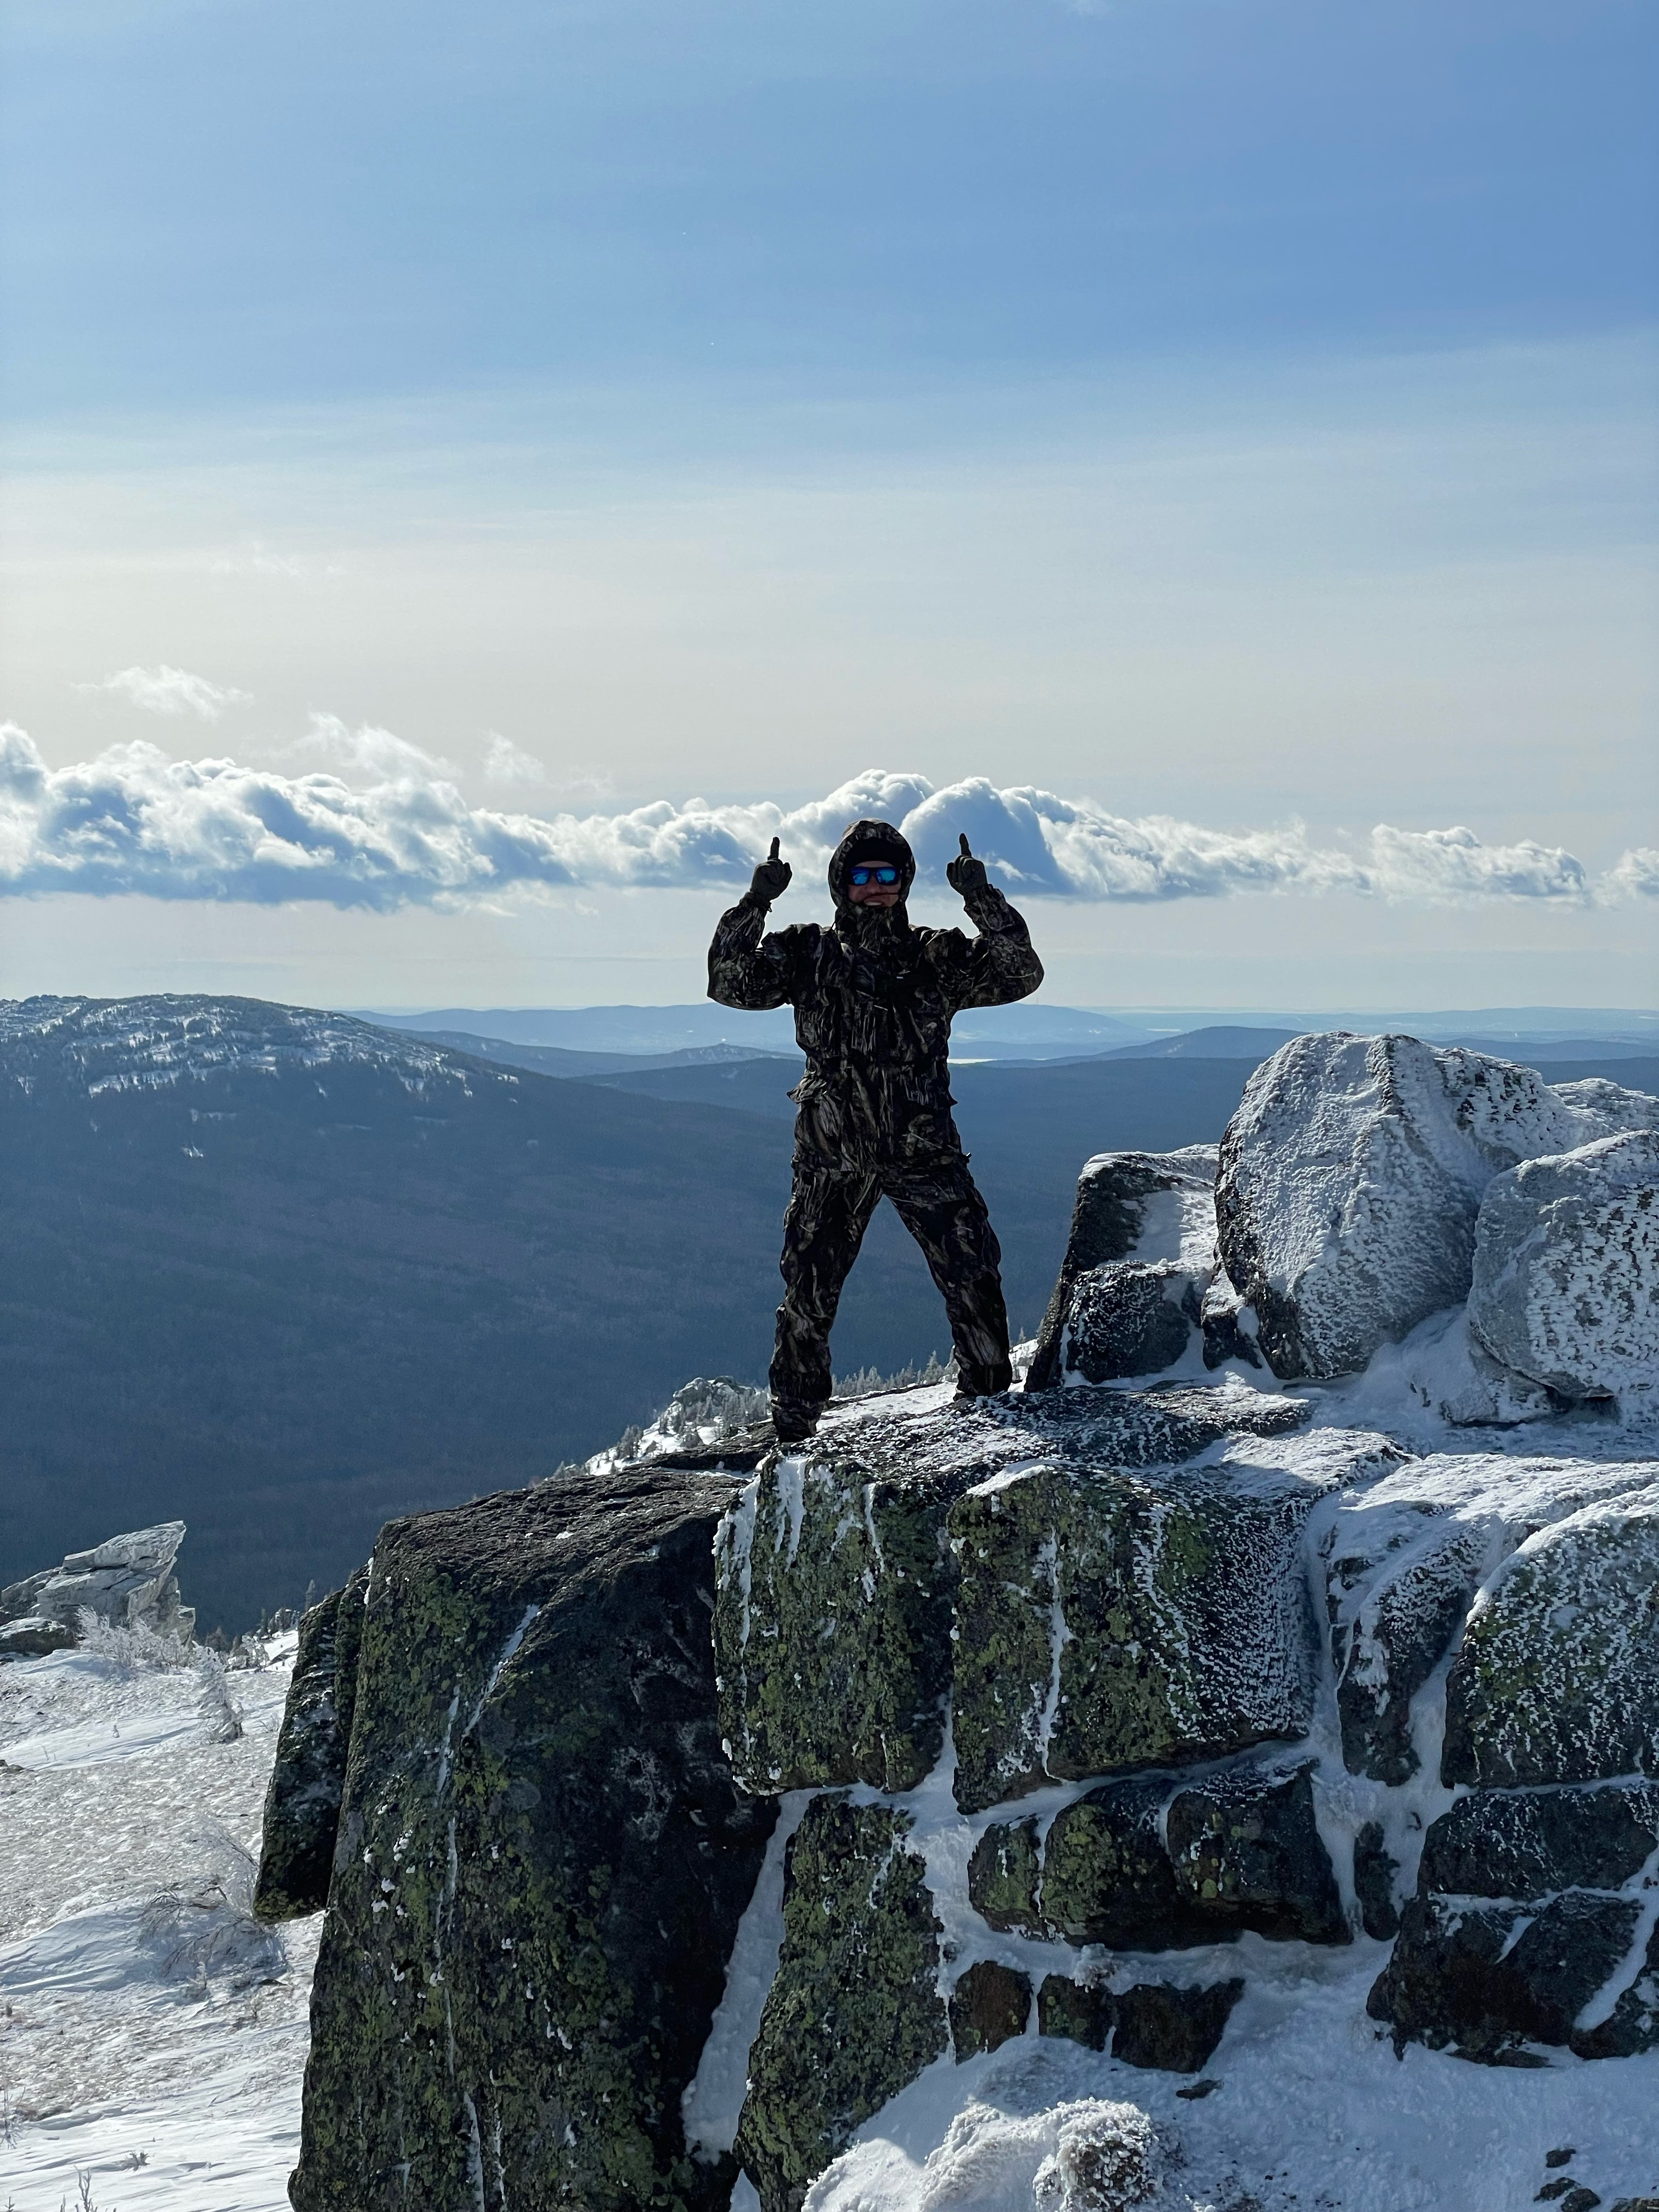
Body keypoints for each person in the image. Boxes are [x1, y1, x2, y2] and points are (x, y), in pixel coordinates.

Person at [707, 816, 1043, 1442]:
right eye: (863, 875)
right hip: (833, 1152)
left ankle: (990, 1405)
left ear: (906, 882)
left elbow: (1020, 974)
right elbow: (729, 984)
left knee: (972, 1269)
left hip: (923, 1147)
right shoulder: (806, 952)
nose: (877, 887)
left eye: (889, 874)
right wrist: (755, 902)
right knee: (809, 1288)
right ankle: (795, 1427)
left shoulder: (937, 955)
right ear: (842, 883)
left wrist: (981, 897)